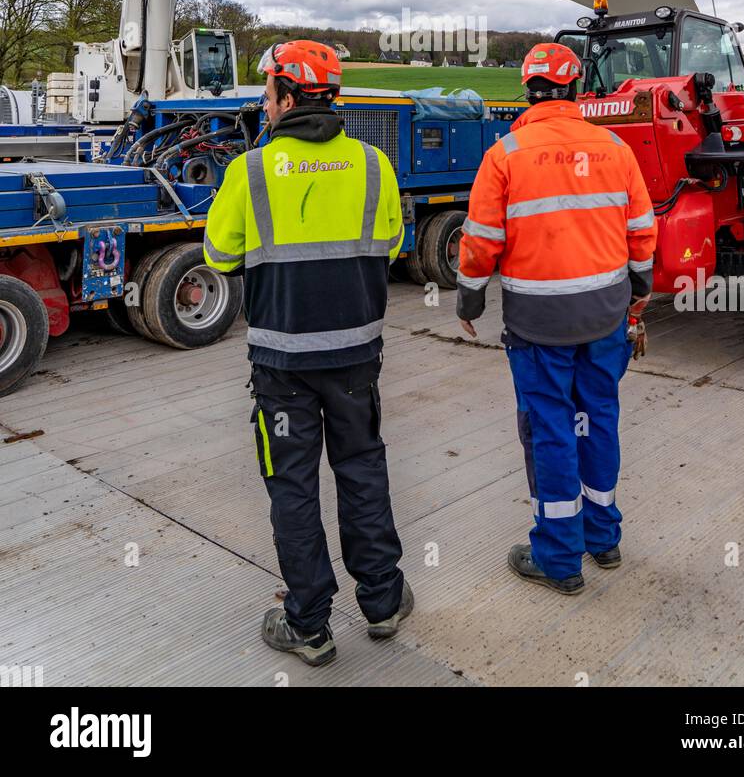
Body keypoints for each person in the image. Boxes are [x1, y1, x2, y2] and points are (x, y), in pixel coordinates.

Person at [204, 39, 412, 666]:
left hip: (282, 368)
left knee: (292, 486)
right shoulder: (375, 164)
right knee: (362, 469)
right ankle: (382, 603)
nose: (263, 106)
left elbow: (217, 257)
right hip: (355, 359)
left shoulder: (251, 171)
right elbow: (392, 248)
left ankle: (310, 625)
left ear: (289, 98)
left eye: (267, 94)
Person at [456, 40, 657, 593]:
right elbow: (642, 230)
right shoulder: (615, 148)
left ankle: (560, 559)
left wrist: (469, 298)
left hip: (538, 325)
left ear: (528, 90)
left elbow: (480, 241)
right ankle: (603, 539)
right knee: (598, 421)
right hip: (605, 318)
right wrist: (637, 290)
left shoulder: (506, 154)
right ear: (576, 89)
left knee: (551, 430)